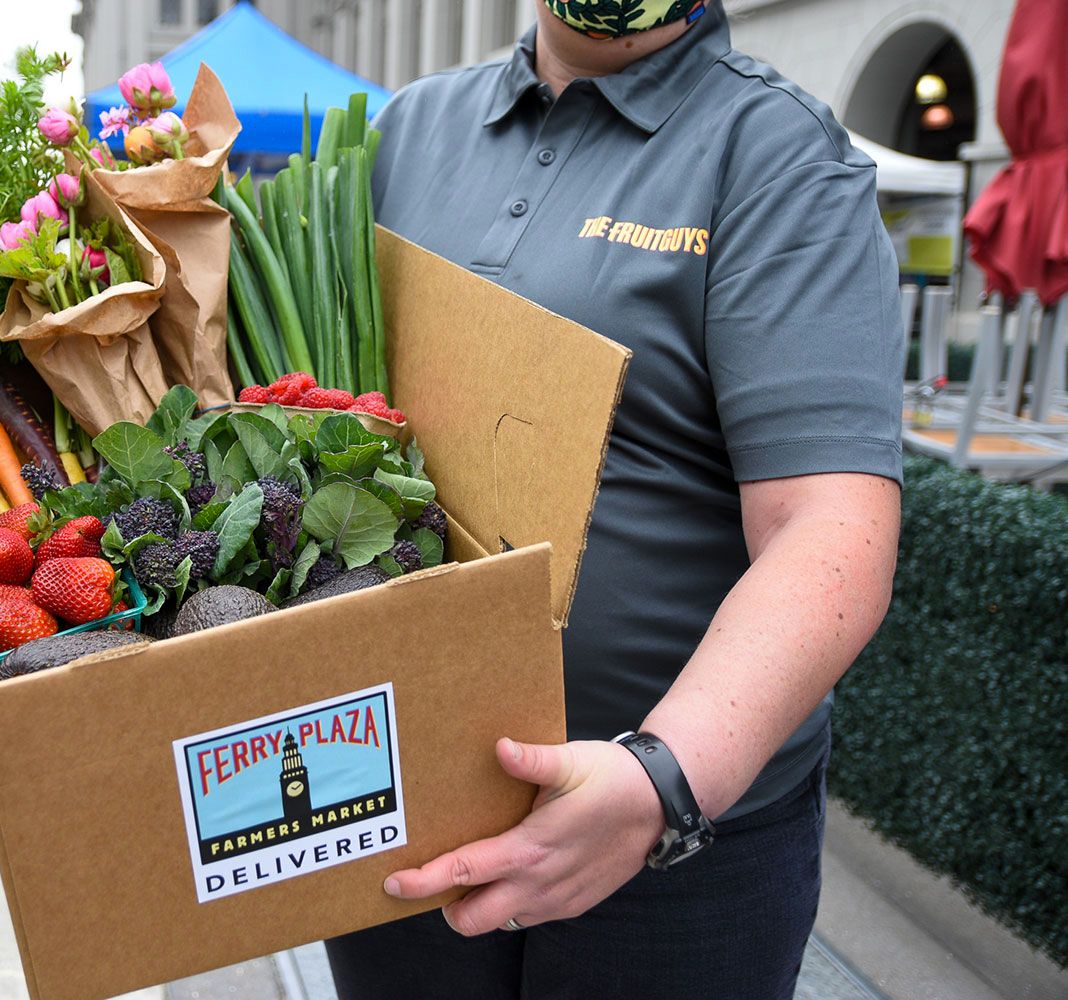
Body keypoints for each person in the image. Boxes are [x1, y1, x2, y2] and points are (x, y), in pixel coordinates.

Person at [323, 3, 903, 998]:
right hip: (408, 797)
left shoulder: (775, 156)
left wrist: (660, 784)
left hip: (675, 859)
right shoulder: (410, 129)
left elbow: (831, 530)